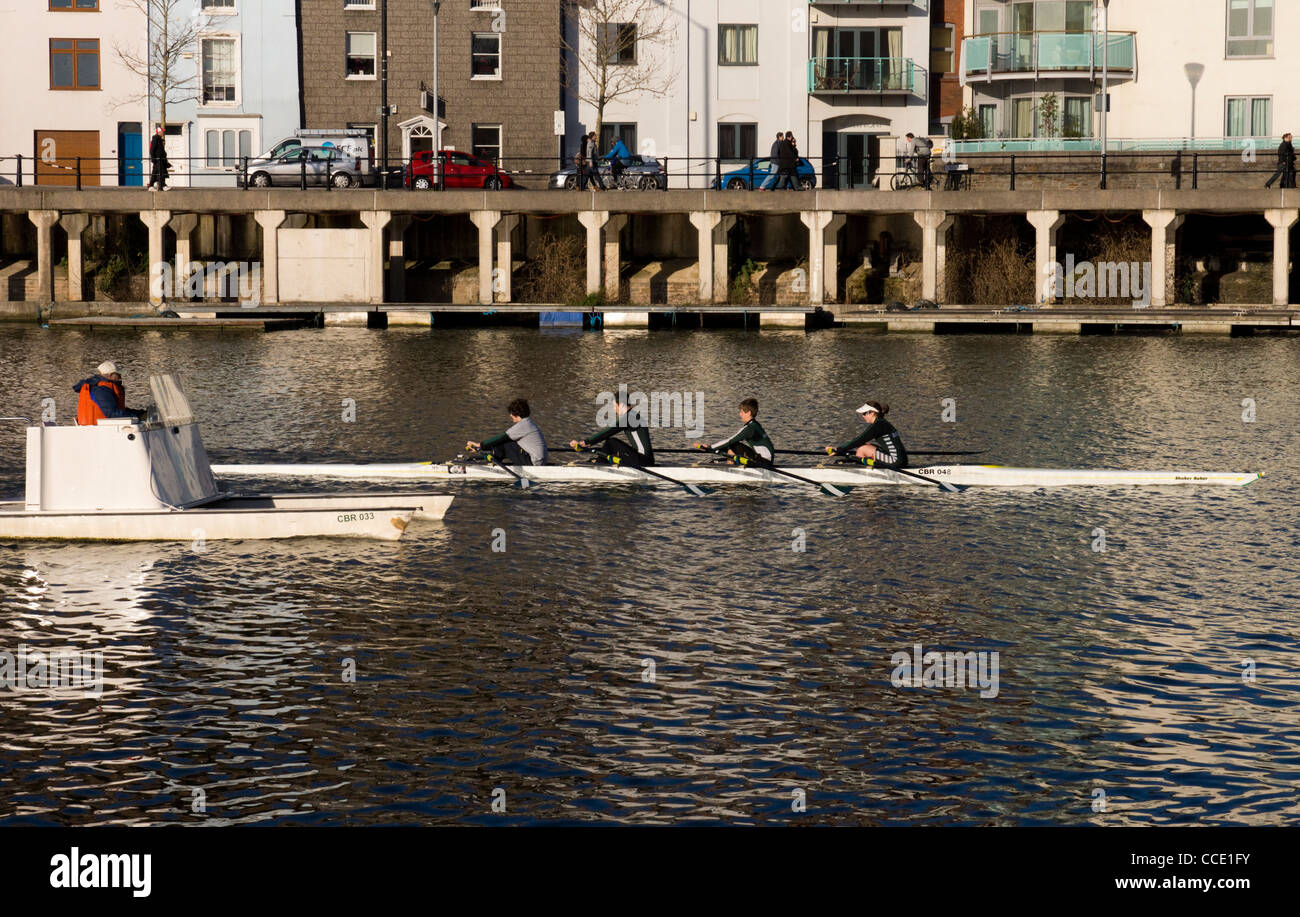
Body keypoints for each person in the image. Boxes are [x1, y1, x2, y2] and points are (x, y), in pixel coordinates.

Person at [570, 390, 654, 467]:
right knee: (611, 444)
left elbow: (608, 431)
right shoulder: (633, 415)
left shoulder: (630, 418)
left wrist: (586, 442)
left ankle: (599, 464)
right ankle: (600, 462)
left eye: (614, 406)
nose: (614, 408)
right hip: (644, 458)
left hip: (643, 461)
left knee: (611, 442)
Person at [825, 400, 908, 468]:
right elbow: (861, 441)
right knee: (866, 445)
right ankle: (860, 468)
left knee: (862, 449)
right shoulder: (883, 423)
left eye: (864, 413)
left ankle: (857, 474)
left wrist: (839, 449)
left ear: (872, 413)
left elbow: (859, 439)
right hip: (902, 459)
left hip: (895, 461)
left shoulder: (878, 425)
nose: (862, 416)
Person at [694, 397, 775, 467]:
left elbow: (730, 440)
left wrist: (710, 447)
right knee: (732, 446)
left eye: (742, 412)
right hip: (764, 459)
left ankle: (729, 468)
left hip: (763, 462)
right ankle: (730, 465)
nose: (740, 414)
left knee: (732, 445)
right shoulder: (755, 425)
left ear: (749, 413)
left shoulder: (750, 428)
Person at [467, 398, 548, 466]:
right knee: (507, 442)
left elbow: (502, 438)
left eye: (511, 413)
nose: (510, 415)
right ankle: (493, 460)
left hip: (533, 463)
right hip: (539, 461)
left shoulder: (522, 426)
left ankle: (492, 465)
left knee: (505, 443)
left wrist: (480, 445)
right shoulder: (529, 423)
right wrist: (481, 448)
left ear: (515, 414)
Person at [73, 361, 147, 426]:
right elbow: (112, 414)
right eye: (118, 374)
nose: (120, 376)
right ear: (110, 375)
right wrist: (137, 417)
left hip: (105, 428)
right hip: (98, 430)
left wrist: (141, 413)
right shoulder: (100, 389)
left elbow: (117, 410)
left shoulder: (105, 387)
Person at [149, 126, 169, 191]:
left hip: (160, 159)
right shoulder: (156, 139)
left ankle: (153, 186)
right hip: (158, 159)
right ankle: (162, 186)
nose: (163, 132)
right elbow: (152, 150)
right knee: (159, 172)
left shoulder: (159, 139)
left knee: (157, 172)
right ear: (159, 132)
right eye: (162, 131)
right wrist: (153, 159)